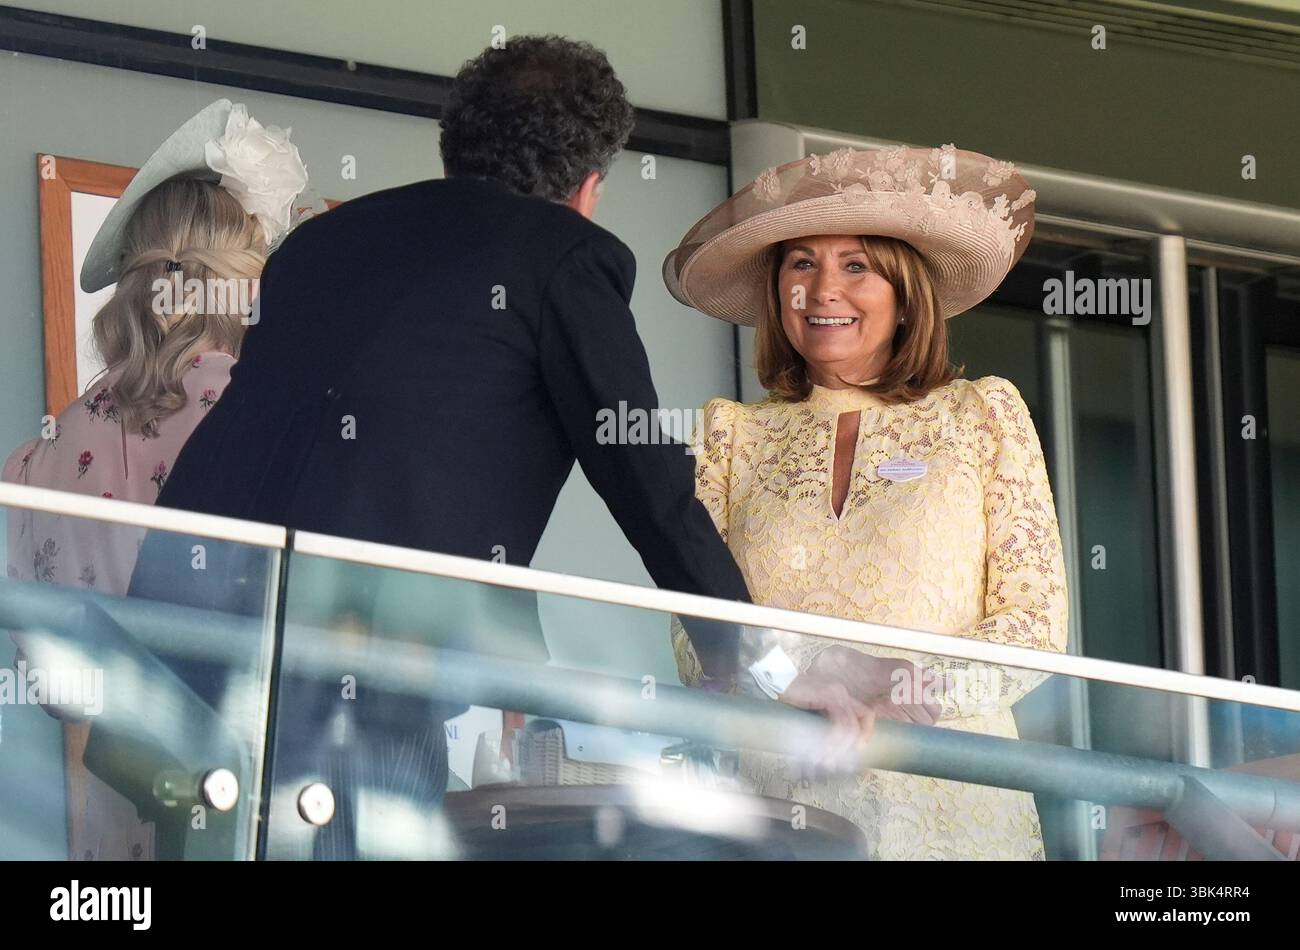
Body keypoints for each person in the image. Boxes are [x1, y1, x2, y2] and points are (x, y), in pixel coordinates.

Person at [663, 145, 1069, 859]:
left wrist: (902, 696)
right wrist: (804, 678)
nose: (824, 291)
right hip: (778, 815)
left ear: (905, 286)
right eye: (801, 263)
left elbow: (1034, 626)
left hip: (952, 808)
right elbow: (699, 645)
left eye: (855, 264)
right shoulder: (733, 435)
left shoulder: (981, 414)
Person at [2, 99, 312, 859]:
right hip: (253, 803)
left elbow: (49, 687)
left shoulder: (41, 457)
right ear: (248, 281)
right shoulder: (270, 423)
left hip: (110, 820)